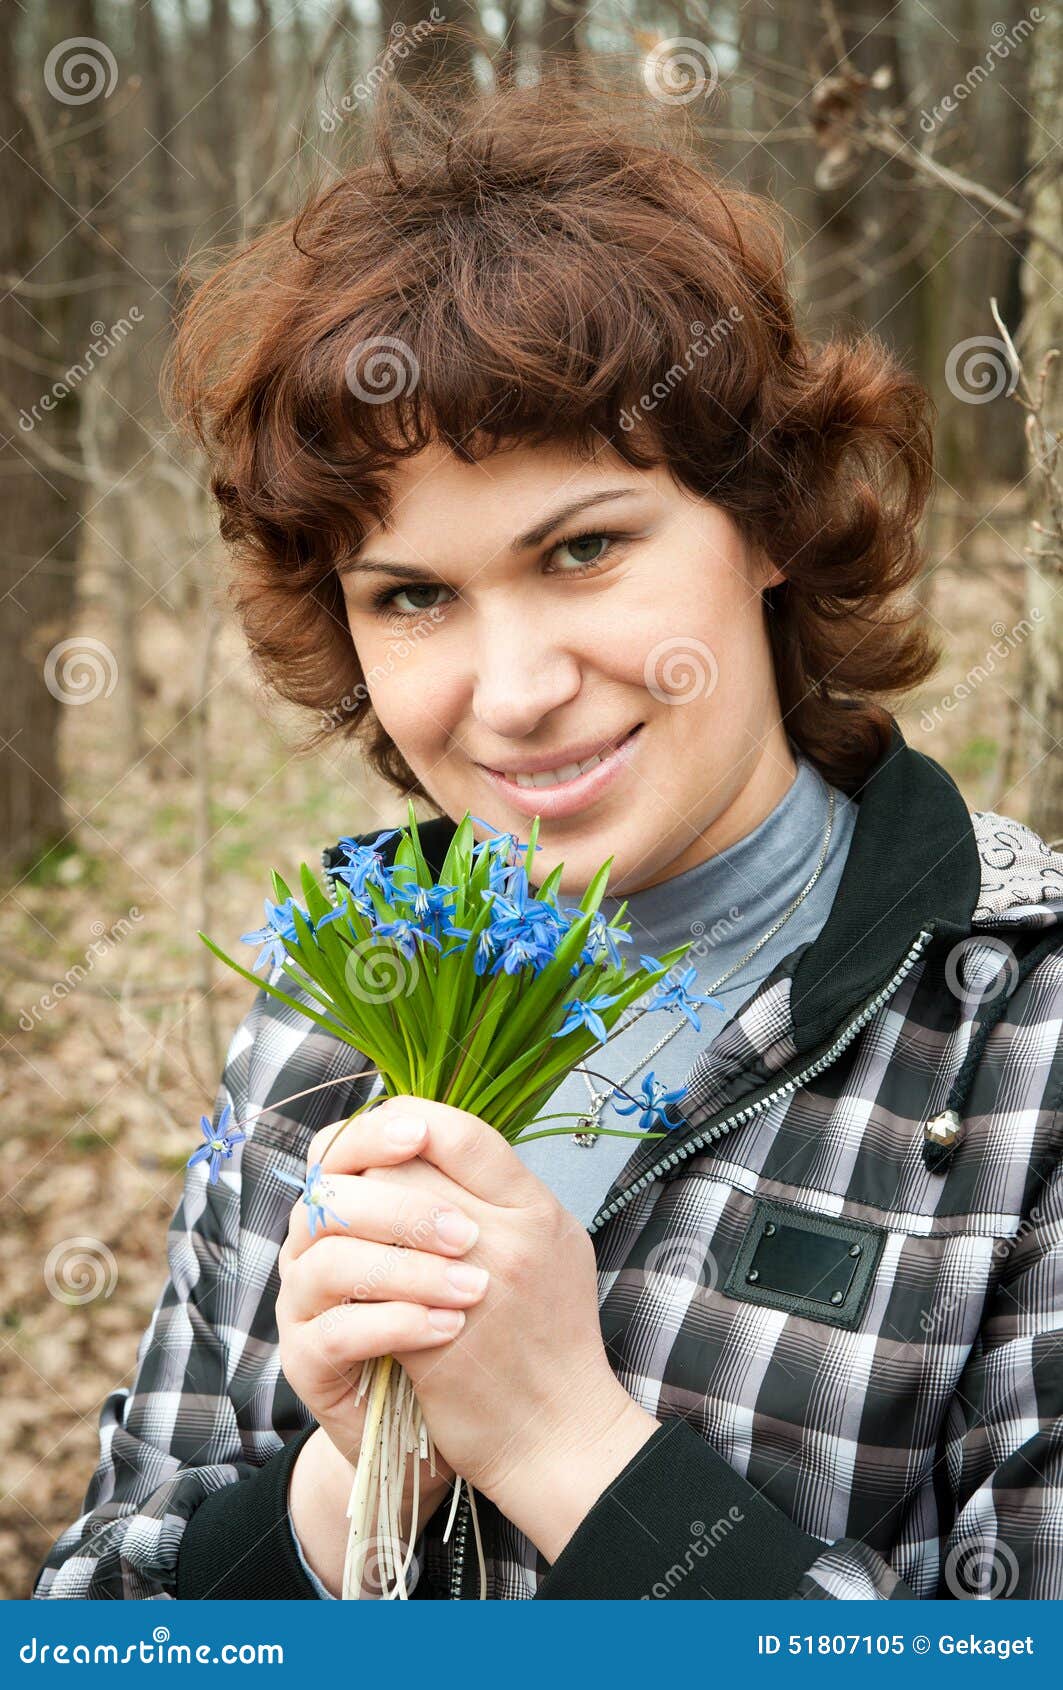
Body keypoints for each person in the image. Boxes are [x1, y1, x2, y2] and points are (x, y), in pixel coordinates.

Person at [33, 72, 1063, 1602]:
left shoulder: (1019, 1040)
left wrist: (566, 1446)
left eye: (582, 549)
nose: (512, 695)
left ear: (771, 520)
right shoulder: (334, 1010)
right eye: (413, 595)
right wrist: (332, 1496)